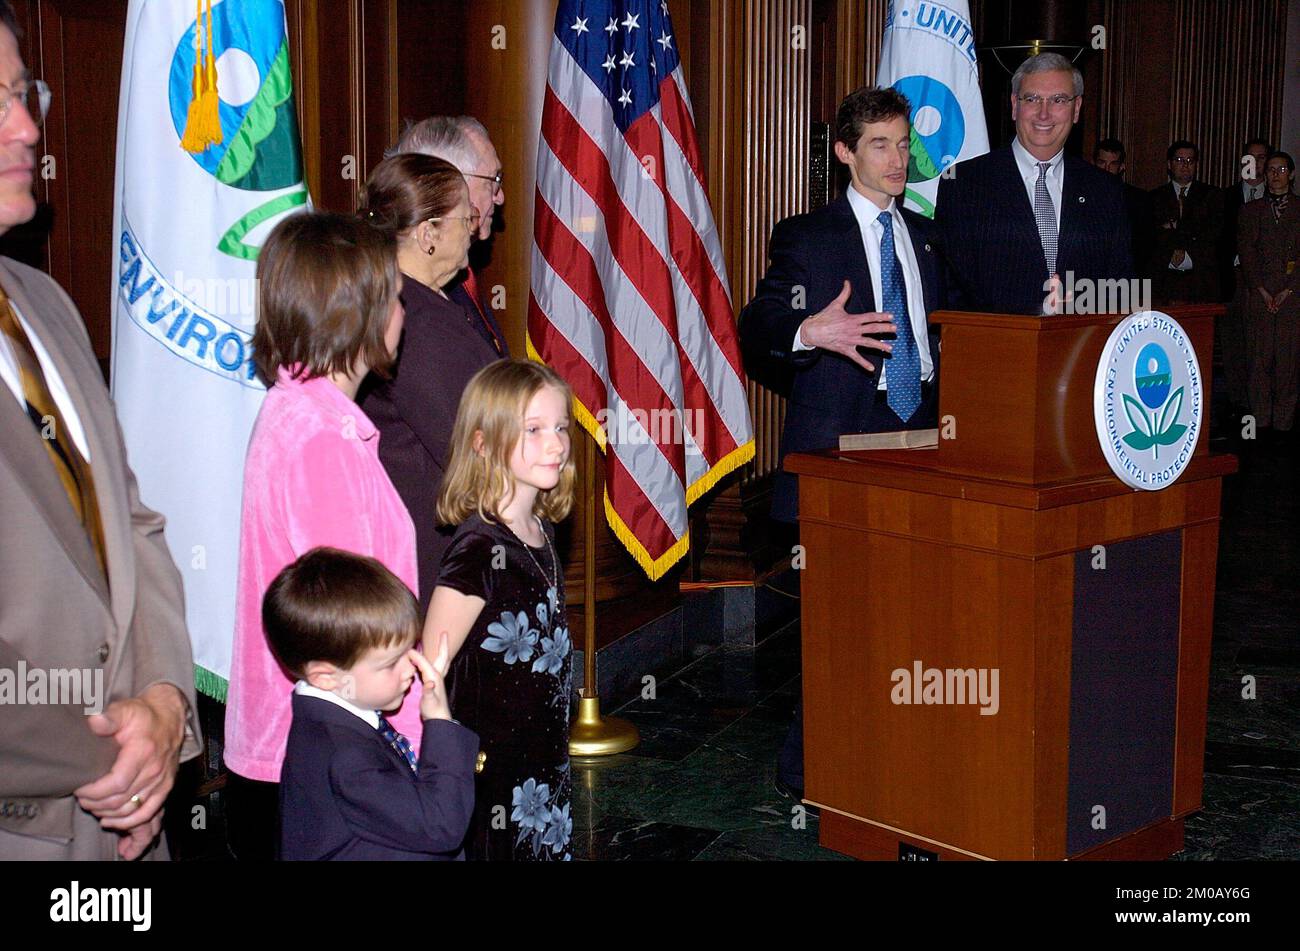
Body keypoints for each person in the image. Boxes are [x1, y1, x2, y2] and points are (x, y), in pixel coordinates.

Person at [0, 4, 199, 861]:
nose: (24, 124)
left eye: (21, 92)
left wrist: (162, 707)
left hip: (123, 819)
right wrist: (115, 756)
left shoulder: (45, 304)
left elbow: (132, 523)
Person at [223, 211, 419, 860]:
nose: (402, 309)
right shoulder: (318, 441)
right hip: (328, 765)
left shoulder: (311, 417)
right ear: (354, 313)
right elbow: (352, 626)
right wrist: (419, 745)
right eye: (392, 294)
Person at [740, 85, 945, 526]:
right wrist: (808, 332)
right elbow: (757, 322)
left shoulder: (929, 236)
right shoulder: (810, 236)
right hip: (844, 431)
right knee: (845, 576)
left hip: (928, 426)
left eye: (904, 144)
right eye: (880, 145)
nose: (898, 160)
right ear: (844, 152)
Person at [422, 359, 576, 861]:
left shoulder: (541, 533)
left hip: (545, 765)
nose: (555, 443)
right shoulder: (477, 550)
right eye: (532, 430)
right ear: (484, 442)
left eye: (559, 427)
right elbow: (430, 670)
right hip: (493, 775)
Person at [267, 547, 479, 861]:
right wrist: (439, 720)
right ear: (326, 676)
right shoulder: (347, 758)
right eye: (390, 663)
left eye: (410, 649)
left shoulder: (333, 718)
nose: (412, 669)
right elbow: (441, 825)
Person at [359, 154, 500, 611]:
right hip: (435, 572)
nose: (475, 229)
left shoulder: (416, 302)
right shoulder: (415, 319)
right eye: (466, 218)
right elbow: (473, 449)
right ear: (428, 235)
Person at [934, 52, 1132, 315]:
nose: (1044, 113)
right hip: (993, 348)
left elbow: (1119, 289)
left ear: (1076, 109)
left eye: (1058, 100)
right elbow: (951, 289)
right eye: (1032, 99)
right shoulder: (965, 184)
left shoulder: (1106, 191)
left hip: (1080, 347)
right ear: (1015, 105)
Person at [391, 116, 509, 357]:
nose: (500, 197)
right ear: (453, 186)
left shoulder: (457, 275)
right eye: (493, 180)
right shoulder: (397, 303)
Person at [1238, 151, 1299, 439]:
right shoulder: (1251, 210)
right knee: (1258, 360)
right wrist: (1261, 290)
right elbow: (1246, 253)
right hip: (1259, 295)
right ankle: (1258, 422)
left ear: (1292, 174)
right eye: (1271, 169)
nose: (1276, 174)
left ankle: (1284, 424)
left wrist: (1288, 290)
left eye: (1282, 169)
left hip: (1292, 296)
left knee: (1288, 362)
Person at [1219, 138, 1272, 414]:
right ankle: (1236, 402)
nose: (1256, 163)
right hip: (1232, 279)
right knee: (1232, 342)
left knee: (1260, 342)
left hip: (1265, 282)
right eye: (1250, 158)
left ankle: (1259, 401)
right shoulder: (1225, 197)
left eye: (1261, 157)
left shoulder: (1276, 198)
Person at [1149, 140, 1222, 305]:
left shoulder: (1212, 196)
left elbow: (1211, 233)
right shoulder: (1154, 197)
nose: (1185, 165)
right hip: (1163, 282)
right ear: (1169, 164)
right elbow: (1151, 236)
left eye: (1190, 161)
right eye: (1179, 160)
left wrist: (1174, 225)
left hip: (1200, 281)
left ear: (1196, 164)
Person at [1092, 137, 1151, 276]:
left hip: (1124, 275)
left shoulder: (1138, 199)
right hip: (1087, 275)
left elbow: (1144, 244)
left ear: (1122, 166)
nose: (1106, 168)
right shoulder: (1078, 196)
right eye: (1102, 162)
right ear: (1093, 163)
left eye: (1113, 164)